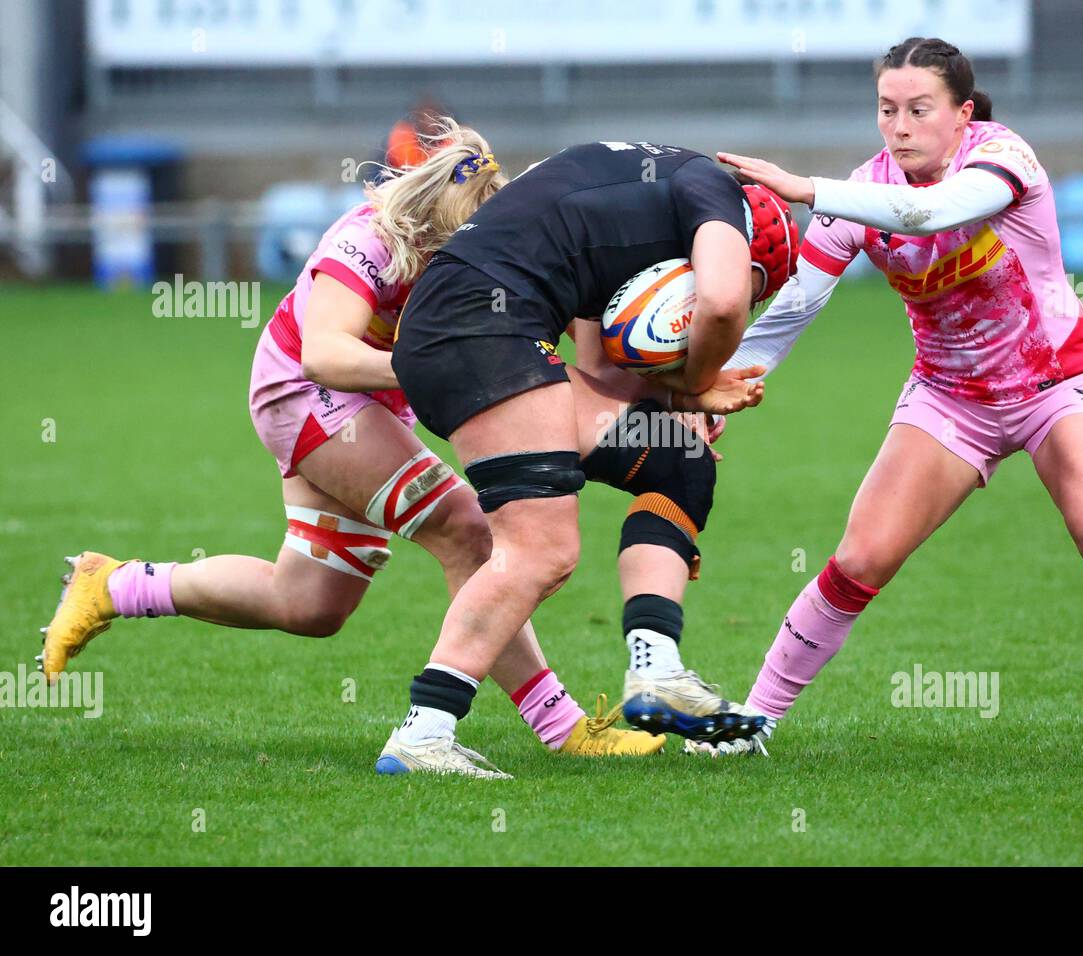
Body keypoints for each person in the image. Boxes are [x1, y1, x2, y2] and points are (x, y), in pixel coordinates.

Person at [694, 37, 1083, 767]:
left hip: (1057, 380)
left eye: (919, 110)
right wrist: (714, 389)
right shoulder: (860, 194)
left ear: (963, 114)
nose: (899, 126)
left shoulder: (1002, 160)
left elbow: (927, 214)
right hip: (949, 397)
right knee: (860, 558)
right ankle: (752, 725)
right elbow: (794, 307)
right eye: (886, 110)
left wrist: (806, 187)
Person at [40, 117, 664, 768]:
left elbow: (582, 355)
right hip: (307, 395)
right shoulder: (366, 239)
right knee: (467, 532)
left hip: (373, 406)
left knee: (308, 602)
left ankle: (114, 585)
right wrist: (447, 366)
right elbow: (325, 354)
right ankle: (557, 726)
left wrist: (673, 384)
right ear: (424, 230)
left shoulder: (493, 245)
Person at [380, 140, 800, 778]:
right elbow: (720, 304)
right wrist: (698, 380)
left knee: (678, 460)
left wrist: (673, 401)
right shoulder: (717, 194)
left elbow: (605, 372)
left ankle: (654, 670)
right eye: (756, 285)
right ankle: (423, 734)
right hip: (481, 334)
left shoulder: (638, 208)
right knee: (539, 550)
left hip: (467, 330)